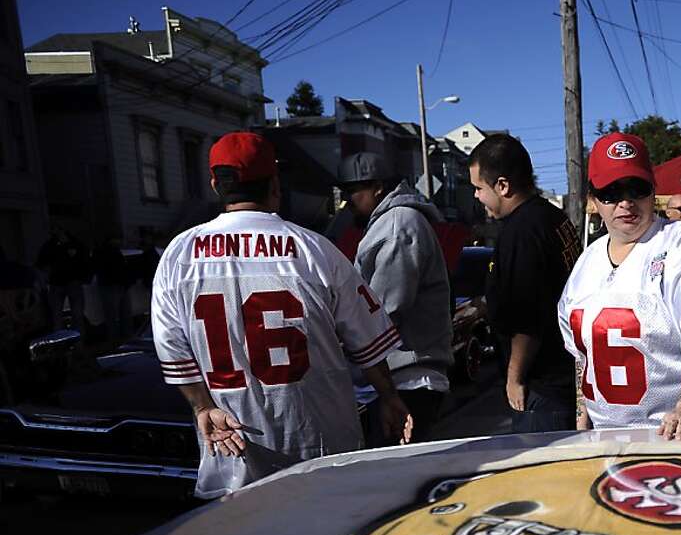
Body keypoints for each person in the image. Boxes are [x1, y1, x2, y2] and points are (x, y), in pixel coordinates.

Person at [152, 132, 412, 499]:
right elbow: (368, 341)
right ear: (275, 184)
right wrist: (389, 396)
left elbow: (173, 352)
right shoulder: (314, 249)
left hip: (235, 453)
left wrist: (203, 406)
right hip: (322, 449)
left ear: (215, 185)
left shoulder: (178, 255)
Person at [558, 132, 681, 439]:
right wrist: (581, 410)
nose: (625, 203)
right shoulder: (587, 263)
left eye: (636, 188)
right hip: (608, 437)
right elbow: (582, 354)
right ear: (593, 200)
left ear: (653, 192)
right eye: (610, 192)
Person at [468, 134, 581, 432]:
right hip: (565, 379)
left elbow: (528, 317)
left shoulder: (521, 232)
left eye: (479, 188)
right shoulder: (553, 217)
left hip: (543, 387)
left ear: (503, 185)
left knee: (542, 474)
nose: (477, 197)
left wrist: (514, 377)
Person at [341, 152, 453, 444]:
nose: (346, 200)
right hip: (400, 377)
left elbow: (383, 310)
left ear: (378, 187)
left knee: (398, 483)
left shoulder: (397, 226)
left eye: (353, 191)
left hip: (408, 379)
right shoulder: (390, 222)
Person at [36, 227, 91, 331]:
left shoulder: (75, 244)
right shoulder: (50, 245)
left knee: (76, 316)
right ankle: (62, 343)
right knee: (59, 317)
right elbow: (40, 263)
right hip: (58, 283)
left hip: (71, 282)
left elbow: (85, 260)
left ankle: (76, 343)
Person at [93, 237, 131, 344]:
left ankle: (123, 339)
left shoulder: (117, 252)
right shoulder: (105, 253)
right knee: (113, 316)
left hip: (120, 285)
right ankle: (115, 341)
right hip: (111, 286)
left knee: (123, 315)